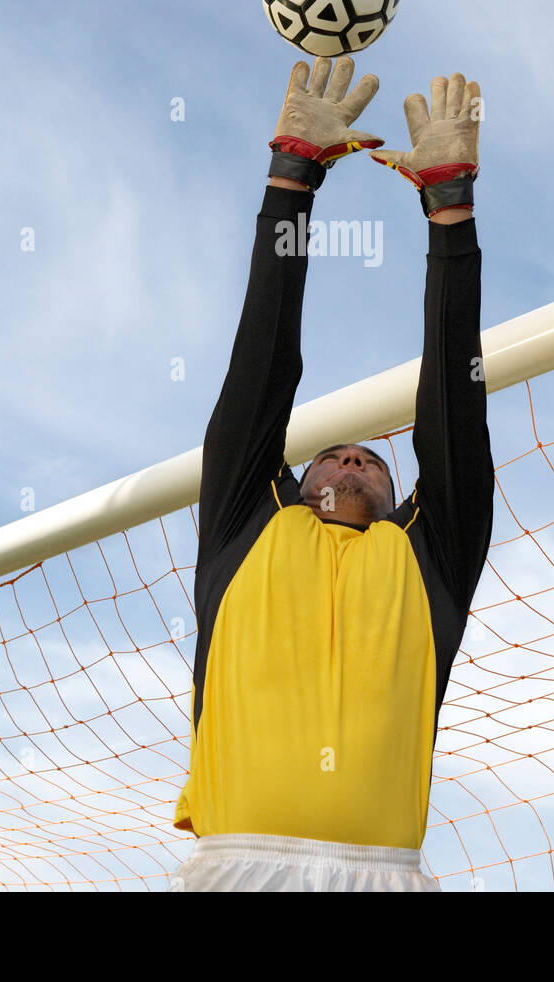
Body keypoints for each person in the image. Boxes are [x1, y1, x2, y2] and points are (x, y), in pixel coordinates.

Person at [170, 56, 494, 892]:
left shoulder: (431, 558)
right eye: (335, 455)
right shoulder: (247, 522)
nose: (352, 458)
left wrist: (448, 213)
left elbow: (454, 409)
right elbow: (262, 360)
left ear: (398, 500)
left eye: (372, 460)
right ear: (296, 481)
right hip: (233, 870)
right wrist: (292, 179)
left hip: (385, 876)